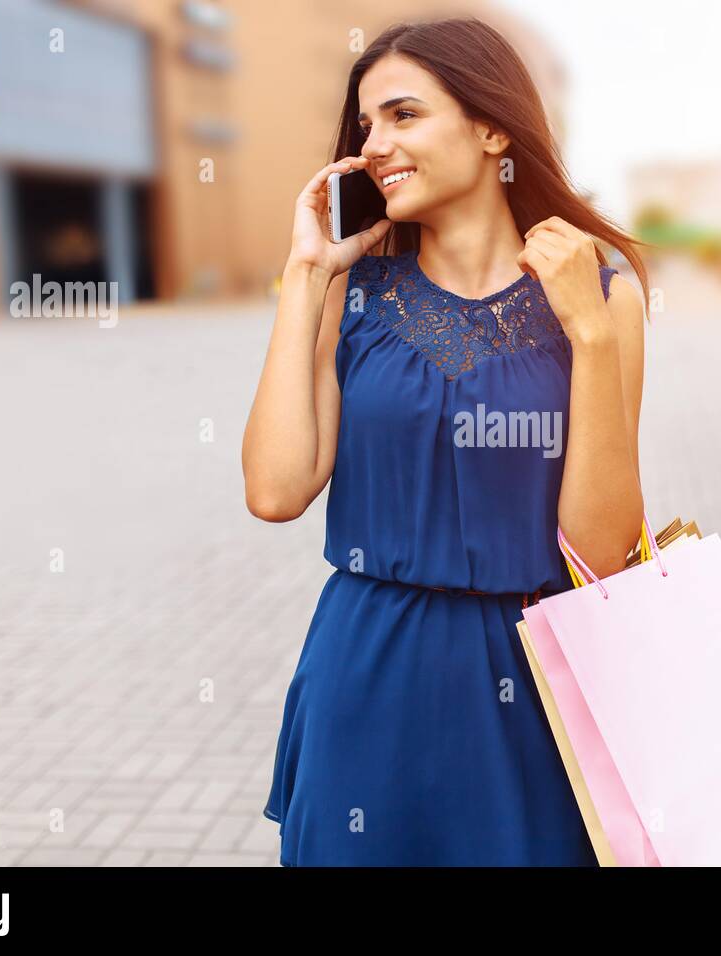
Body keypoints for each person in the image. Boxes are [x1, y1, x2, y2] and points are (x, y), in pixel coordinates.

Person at [242, 16, 652, 866]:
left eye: (402, 115)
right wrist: (306, 275)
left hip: (540, 688)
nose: (373, 146)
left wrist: (593, 339)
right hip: (367, 674)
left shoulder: (601, 291)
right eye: (365, 125)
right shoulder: (354, 296)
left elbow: (604, 555)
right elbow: (275, 492)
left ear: (492, 126)